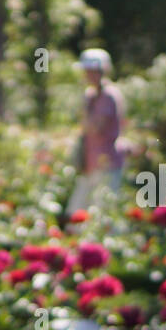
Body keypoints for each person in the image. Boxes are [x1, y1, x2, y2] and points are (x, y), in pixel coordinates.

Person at [67, 48, 125, 213]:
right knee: (76, 210)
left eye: (93, 71)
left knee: (103, 210)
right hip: (90, 162)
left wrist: (85, 116)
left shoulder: (109, 96)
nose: (89, 75)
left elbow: (95, 127)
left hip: (107, 162)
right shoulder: (90, 96)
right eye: (87, 71)